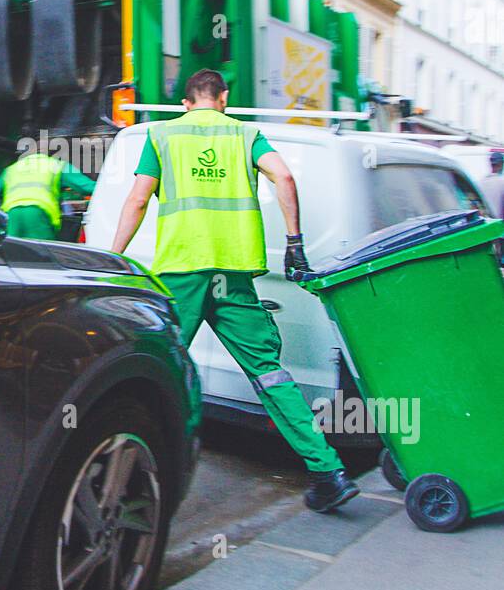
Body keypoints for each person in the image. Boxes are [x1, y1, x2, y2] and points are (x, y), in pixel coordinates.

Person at [111, 68, 359, 514]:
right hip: (234, 273)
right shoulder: (246, 135)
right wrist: (296, 244)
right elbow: (285, 179)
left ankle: (144, 481)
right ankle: (329, 473)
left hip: (183, 270)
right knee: (268, 372)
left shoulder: (164, 136)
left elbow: (137, 200)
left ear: (187, 103)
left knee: (162, 369)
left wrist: (114, 256)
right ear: (223, 97)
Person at [0, 149, 96, 241]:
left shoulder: (11, 169)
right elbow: (88, 187)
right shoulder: (57, 165)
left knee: (13, 258)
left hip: (12, 215)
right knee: (42, 260)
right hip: (38, 214)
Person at [481, 150, 504, 221]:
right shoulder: (502, 182)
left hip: (487, 224)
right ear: (501, 164)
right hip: (499, 224)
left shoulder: (481, 182)